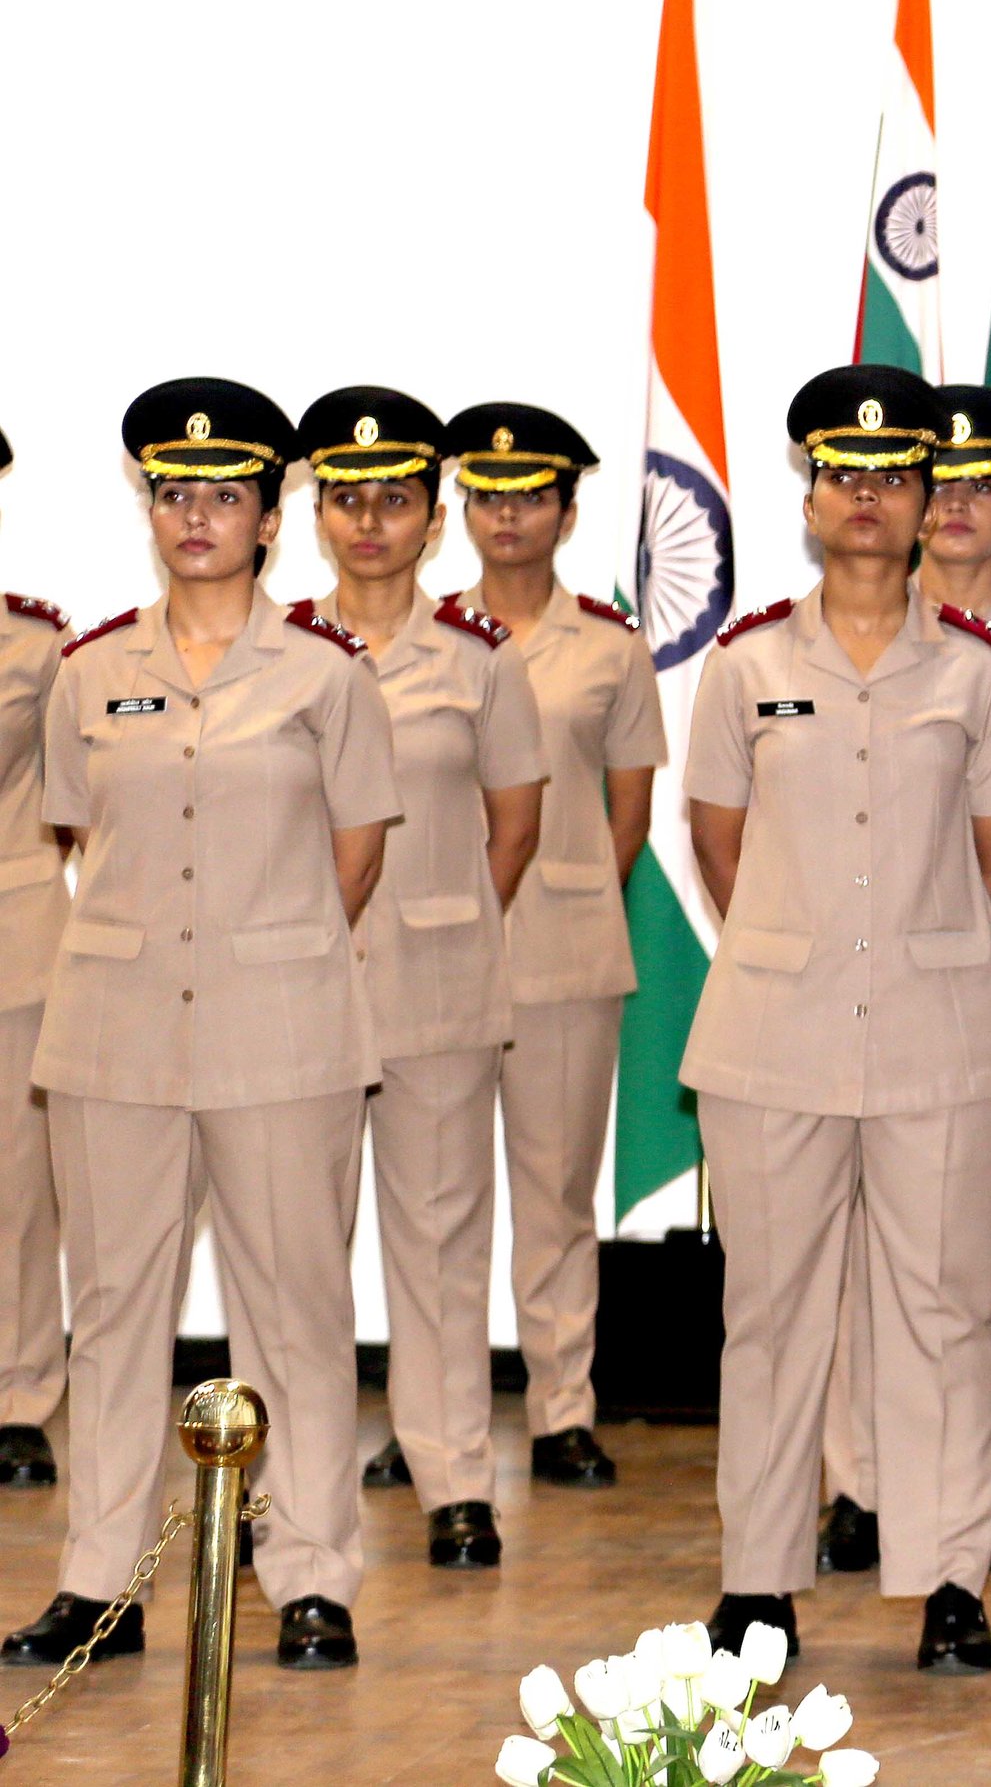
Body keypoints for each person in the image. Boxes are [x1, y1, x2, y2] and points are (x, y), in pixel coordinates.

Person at [3, 379, 401, 1672]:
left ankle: (310, 1577)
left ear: (269, 517)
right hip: (114, 1026)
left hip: (282, 1026)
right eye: (175, 491)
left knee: (292, 1305)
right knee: (114, 1308)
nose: (196, 516)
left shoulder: (324, 677)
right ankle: (100, 1586)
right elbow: (81, 833)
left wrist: (254, 950)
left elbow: (355, 854)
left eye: (224, 493)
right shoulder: (87, 671)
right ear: (149, 504)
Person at [684, 364, 991, 1672]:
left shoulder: (978, 674)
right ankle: (757, 1585)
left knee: (946, 1311)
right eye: (846, 475)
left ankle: (949, 1581)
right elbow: (719, 842)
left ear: (930, 496)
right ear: (811, 496)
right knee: (771, 1318)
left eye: (895, 476)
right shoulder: (746, 664)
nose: (870, 498)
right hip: (775, 1037)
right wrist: (806, 949)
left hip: (944, 1036)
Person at [819, 384, 991, 1581]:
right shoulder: (849, 635)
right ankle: (860, 1484)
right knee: (858, 1247)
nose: (954, 508)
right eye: (939, 485)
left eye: (982, 486)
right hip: (874, 983)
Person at [304, 387, 546, 1568]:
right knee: (292, 1246)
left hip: (440, 985)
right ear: (312, 513)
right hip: (289, 994)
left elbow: (513, 823)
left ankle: (454, 1480)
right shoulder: (282, 653)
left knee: (444, 1243)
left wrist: (450, 922)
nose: (367, 523)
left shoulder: (478, 662)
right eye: (345, 498)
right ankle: (285, 1491)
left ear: (432, 520)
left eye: (392, 500)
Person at [445, 401, 665, 1489]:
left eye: (530, 493)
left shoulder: (610, 650)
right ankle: (430, 1417)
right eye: (487, 494)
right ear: (461, 510)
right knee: (430, 1200)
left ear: (567, 513)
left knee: (555, 1197)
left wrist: (573, 898)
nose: (507, 513)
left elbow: (629, 811)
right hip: (431, 957)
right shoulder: (424, 639)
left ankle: (560, 1411)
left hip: (567, 950)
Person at [0, 424, 71, 1492]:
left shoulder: (37, 648)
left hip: (12, 935)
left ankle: (15, 1399)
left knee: (18, 1183)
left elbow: (80, 813)